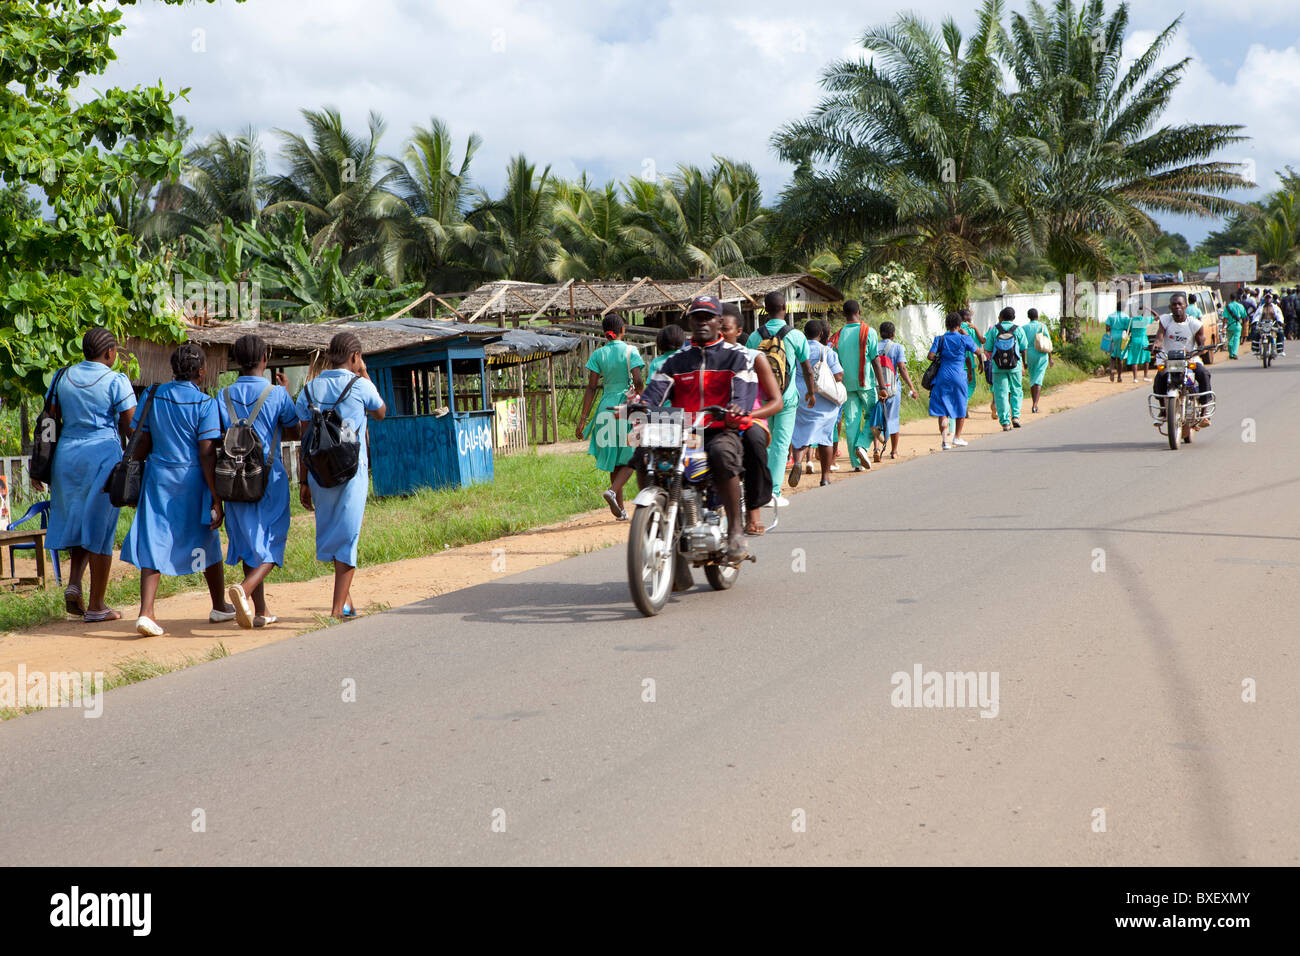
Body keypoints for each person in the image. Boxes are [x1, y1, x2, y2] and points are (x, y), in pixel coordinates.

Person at [641, 296, 782, 561]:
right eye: (697, 317)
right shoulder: (676, 360)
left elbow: (742, 391)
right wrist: (638, 406)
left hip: (720, 427)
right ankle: (654, 525)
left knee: (722, 454)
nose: (702, 322)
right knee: (643, 455)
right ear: (689, 322)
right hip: (683, 431)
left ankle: (736, 531)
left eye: (708, 317)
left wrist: (737, 408)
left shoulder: (739, 357)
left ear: (719, 321)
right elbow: (654, 393)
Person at [120, 343, 235, 637]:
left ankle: (146, 612)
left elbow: (140, 438)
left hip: (158, 477)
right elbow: (207, 452)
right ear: (201, 371)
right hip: (193, 480)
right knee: (206, 537)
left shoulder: (152, 394)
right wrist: (216, 496)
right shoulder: (205, 404)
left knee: (154, 539)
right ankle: (219, 604)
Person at [41, 328, 137, 623]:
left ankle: (73, 585)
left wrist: (42, 464)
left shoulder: (61, 377)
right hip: (102, 459)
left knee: (77, 522)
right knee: (100, 529)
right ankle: (97, 606)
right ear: (109, 353)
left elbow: (50, 417)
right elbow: (131, 426)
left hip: (66, 459)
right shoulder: (115, 380)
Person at [296, 332, 386, 620]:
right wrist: (365, 372)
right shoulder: (360, 386)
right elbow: (381, 412)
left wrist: (302, 481)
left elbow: (304, 436)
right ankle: (337, 610)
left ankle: (345, 602)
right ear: (354, 356)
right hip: (351, 471)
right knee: (348, 535)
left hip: (318, 472)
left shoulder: (309, 389)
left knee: (334, 531)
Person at [219, 335, 303, 629]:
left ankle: (261, 611)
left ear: (237, 361)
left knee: (247, 541)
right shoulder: (277, 395)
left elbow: (218, 435)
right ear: (265, 358)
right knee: (273, 539)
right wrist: (285, 394)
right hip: (269, 476)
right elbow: (294, 432)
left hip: (232, 478)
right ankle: (244, 588)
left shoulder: (224, 395)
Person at [745, 291, 815, 505]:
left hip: (763, 398)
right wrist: (811, 392)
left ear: (765, 309)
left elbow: (746, 368)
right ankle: (773, 492)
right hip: (786, 398)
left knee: (764, 442)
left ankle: (760, 488)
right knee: (781, 444)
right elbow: (807, 369)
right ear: (785, 308)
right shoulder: (795, 336)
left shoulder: (754, 336)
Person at [577, 314, 645, 520]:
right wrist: (636, 393)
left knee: (615, 460)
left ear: (604, 332)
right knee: (632, 455)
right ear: (623, 329)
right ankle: (613, 491)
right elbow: (639, 379)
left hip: (604, 410)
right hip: (626, 408)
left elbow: (591, 387)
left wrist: (583, 419)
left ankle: (620, 510)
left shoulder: (598, 355)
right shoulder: (631, 351)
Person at [719, 306, 776, 534]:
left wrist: (750, 416)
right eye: (717, 329)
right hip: (710, 419)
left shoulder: (754, 358)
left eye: (725, 329)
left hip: (748, 420)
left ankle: (753, 510)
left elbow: (775, 401)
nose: (720, 334)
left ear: (738, 331)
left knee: (753, 442)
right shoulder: (701, 357)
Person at [789, 320, 844, 487]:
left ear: (804, 334)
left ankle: (798, 461)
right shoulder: (827, 351)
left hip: (802, 397)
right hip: (824, 400)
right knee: (825, 438)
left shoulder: (797, 351)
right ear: (821, 334)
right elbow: (838, 375)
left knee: (801, 434)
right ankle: (825, 477)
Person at [831, 299, 883, 472]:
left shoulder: (838, 335)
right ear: (859, 312)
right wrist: (882, 385)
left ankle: (856, 463)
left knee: (852, 422)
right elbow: (875, 360)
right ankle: (862, 446)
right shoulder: (869, 332)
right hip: (866, 383)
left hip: (847, 385)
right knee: (874, 417)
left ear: (843, 314)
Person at [1149, 293, 1212, 428]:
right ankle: (1163, 410)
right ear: (1170, 307)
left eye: (1179, 304)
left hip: (1189, 359)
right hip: (1168, 359)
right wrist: (1157, 344)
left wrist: (1199, 349)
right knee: (1160, 377)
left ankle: (1204, 412)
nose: (1177, 307)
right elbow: (1159, 337)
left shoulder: (1195, 324)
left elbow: (1201, 344)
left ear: (1185, 306)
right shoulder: (1165, 320)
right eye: (1174, 304)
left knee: (1203, 374)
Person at [927, 312, 988, 450]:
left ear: (946, 325)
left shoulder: (939, 339)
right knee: (961, 404)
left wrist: (940, 358)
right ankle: (957, 437)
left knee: (942, 409)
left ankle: (945, 441)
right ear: (959, 325)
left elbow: (930, 356)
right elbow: (978, 352)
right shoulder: (964, 339)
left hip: (943, 376)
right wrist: (966, 335)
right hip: (959, 376)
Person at [869, 322, 917, 460]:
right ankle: (894, 451)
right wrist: (911, 387)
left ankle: (876, 449)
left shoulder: (874, 347)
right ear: (893, 334)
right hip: (893, 388)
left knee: (877, 418)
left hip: (876, 387)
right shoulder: (897, 347)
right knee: (893, 418)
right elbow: (902, 368)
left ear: (880, 333)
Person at [984, 306, 1029, 431]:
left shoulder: (994, 330)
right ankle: (1015, 416)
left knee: (1001, 393)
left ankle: (1004, 422)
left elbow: (987, 348)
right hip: (1015, 366)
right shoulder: (1018, 329)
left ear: (1001, 317)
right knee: (1016, 390)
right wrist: (1023, 364)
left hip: (998, 367)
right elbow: (1024, 348)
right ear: (1013, 318)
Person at [1020, 308, 1054, 411]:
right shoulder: (1042, 326)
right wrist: (1050, 358)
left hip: (1029, 354)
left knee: (1032, 378)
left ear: (1028, 316)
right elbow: (1047, 343)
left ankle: (1033, 401)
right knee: (1039, 378)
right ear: (1037, 316)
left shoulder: (1024, 328)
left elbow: (1022, 345)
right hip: (1041, 354)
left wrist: (1023, 361)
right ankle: (1035, 404)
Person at [1103, 299, 1130, 382]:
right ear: (1123, 308)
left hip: (1112, 336)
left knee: (1112, 356)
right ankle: (1119, 376)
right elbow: (1127, 328)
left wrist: (1109, 333)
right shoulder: (1126, 317)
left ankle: (1111, 371)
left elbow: (1107, 328)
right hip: (1122, 336)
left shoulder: (1111, 316)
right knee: (1120, 358)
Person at [1124, 307, 1152, 382]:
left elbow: (1127, 329)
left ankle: (1135, 378)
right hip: (1144, 340)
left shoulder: (1132, 320)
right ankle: (1145, 376)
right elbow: (1157, 317)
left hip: (1134, 340)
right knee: (1146, 358)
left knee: (1134, 358)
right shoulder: (1146, 319)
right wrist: (1149, 309)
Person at [1223, 292, 1247, 359]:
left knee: (1230, 340)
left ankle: (1231, 354)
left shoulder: (1227, 306)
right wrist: (1244, 324)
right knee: (1236, 339)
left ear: (1230, 298)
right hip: (1237, 325)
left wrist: (1223, 327)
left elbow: (1225, 318)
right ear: (1236, 298)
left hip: (1229, 326)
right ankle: (1234, 353)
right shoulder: (1240, 306)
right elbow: (1244, 316)